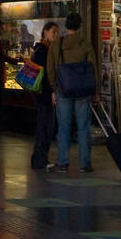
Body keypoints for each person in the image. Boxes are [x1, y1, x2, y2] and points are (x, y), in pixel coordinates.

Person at [46, 12, 100, 174]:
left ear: (66, 26)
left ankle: (63, 162)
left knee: (63, 128)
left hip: (63, 90)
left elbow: (50, 68)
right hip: (83, 91)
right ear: (80, 26)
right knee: (83, 127)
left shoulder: (57, 43)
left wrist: (54, 87)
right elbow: (93, 69)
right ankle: (85, 164)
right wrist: (95, 91)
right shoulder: (85, 44)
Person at [29, 22, 58, 170]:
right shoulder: (43, 50)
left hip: (41, 94)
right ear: (45, 32)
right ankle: (40, 159)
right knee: (45, 127)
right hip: (44, 94)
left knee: (45, 126)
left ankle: (39, 158)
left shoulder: (41, 49)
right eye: (53, 31)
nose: (55, 34)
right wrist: (52, 91)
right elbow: (46, 74)